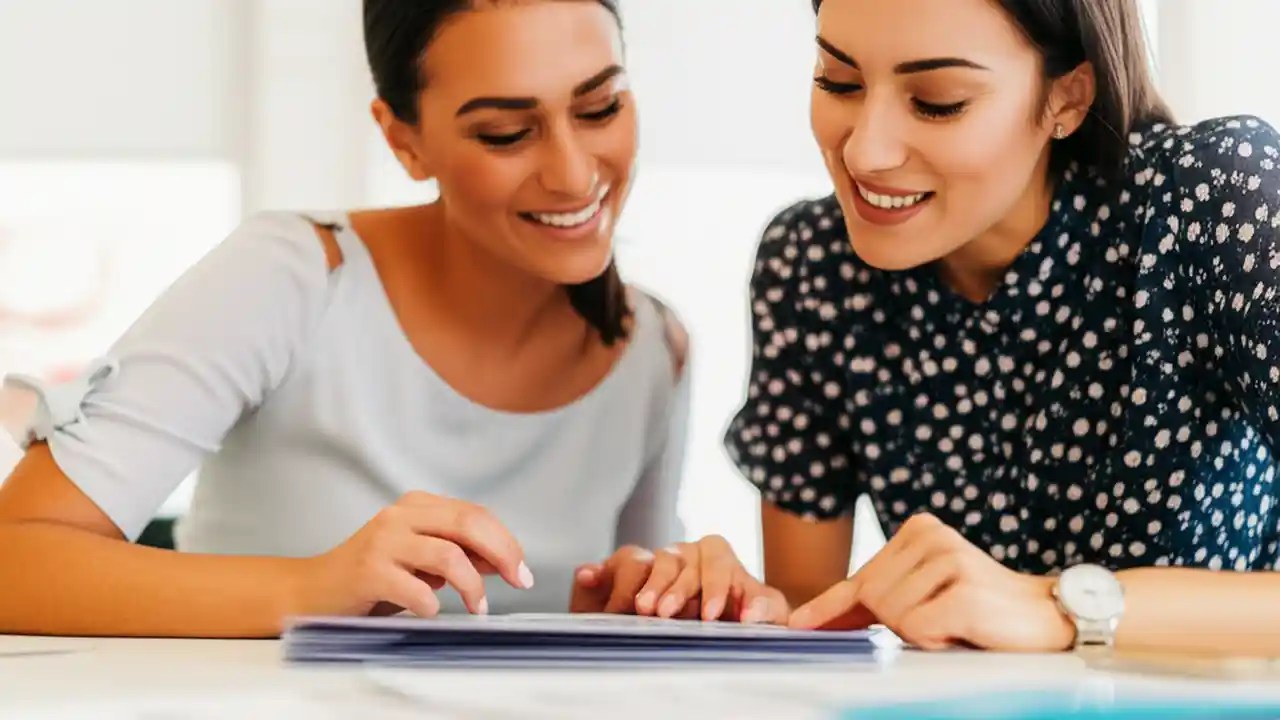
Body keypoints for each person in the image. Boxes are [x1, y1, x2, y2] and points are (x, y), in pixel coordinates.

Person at [0, 0, 717, 637]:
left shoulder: (655, 348)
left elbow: (632, 622)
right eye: (505, 133)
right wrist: (312, 587)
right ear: (403, 139)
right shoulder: (293, 278)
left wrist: (671, 598)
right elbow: (15, 557)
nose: (572, 172)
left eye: (600, 109)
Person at [717, 0, 1280, 655]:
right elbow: (808, 619)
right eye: (838, 81)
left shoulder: (1214, 200)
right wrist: (707, 600)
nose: (865, 153)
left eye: (938, 100)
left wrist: (1058, 608)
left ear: (1067, 97)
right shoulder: (810, 262)